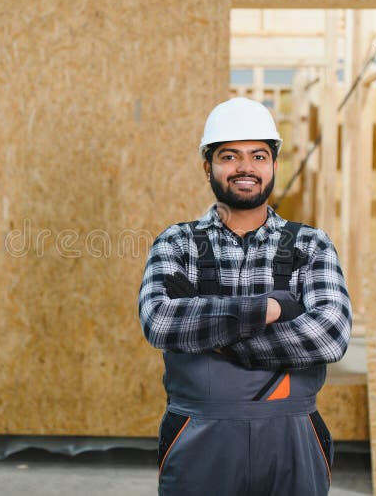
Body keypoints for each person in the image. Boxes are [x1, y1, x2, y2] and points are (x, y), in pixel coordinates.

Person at [138, 97, 352, 496]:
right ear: (208, 167)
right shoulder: (177, 243)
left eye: (258, 155)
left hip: (292, 441)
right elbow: (160, 322)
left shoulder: (311, 244)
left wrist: (216, 336)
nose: (245, 168)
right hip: (198, 438)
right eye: (229, 156)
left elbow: (330, 334)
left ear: (273, 164)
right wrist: (270, 309)